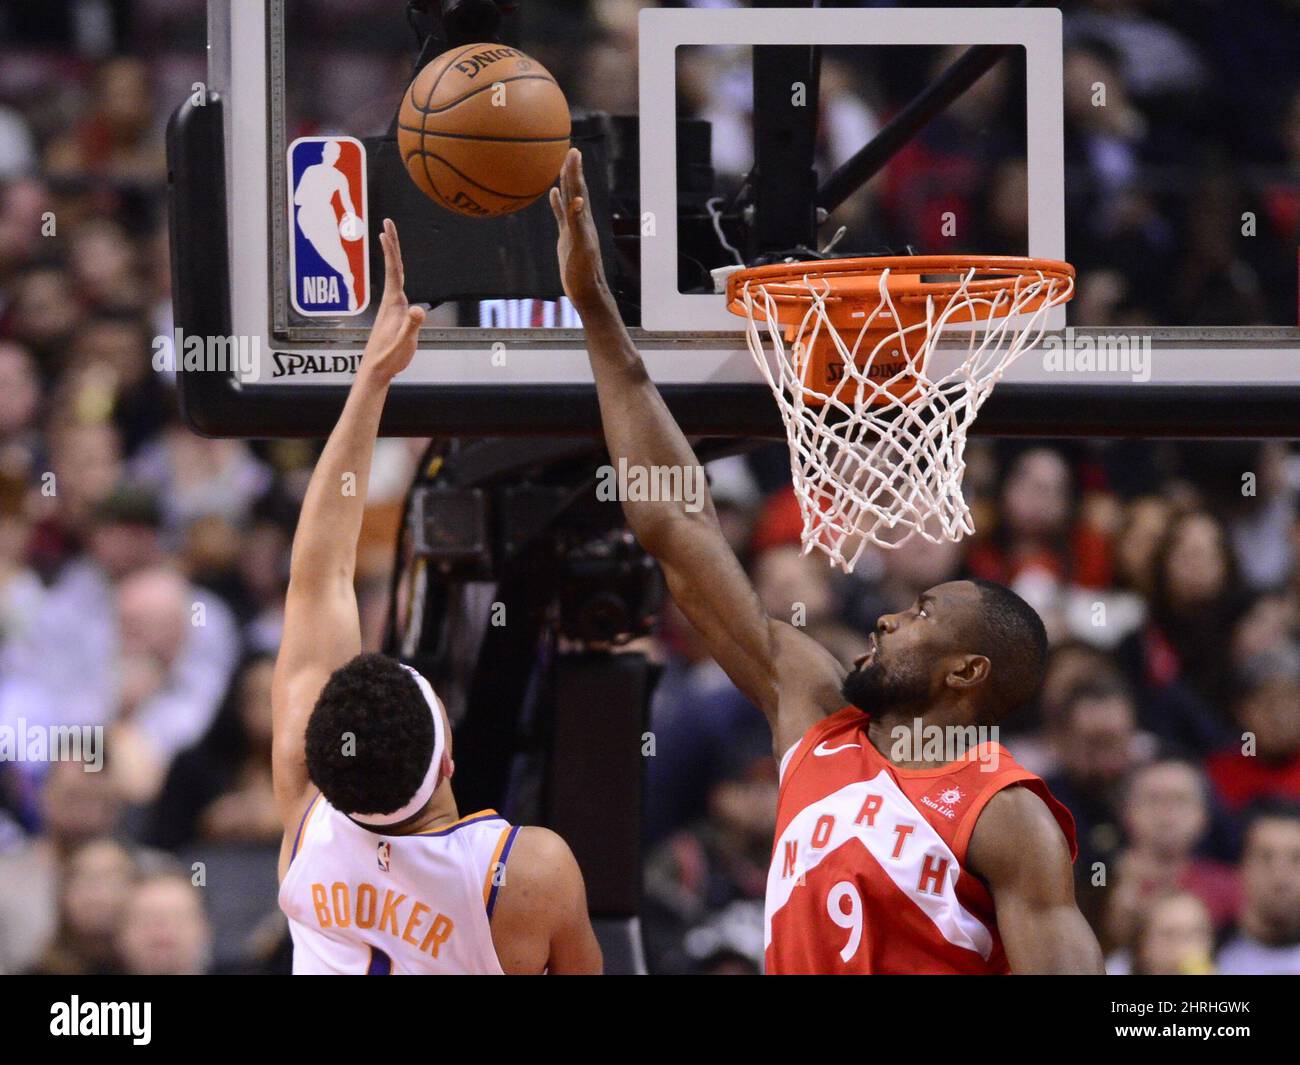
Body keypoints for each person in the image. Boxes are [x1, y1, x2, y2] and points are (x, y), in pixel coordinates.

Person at [551, 150, 1103, 975]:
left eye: (921, 616)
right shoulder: (814, 716)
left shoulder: (1004, 810)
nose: (887, 615)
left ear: (967, 671)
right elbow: (676, 523)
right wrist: (598, 315)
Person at [272, 220, 600, 975]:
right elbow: (319, 576)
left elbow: (319, 577)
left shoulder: (306, 827)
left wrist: (371, 380)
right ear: (447, 752)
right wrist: (375, 377)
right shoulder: (529, 873)